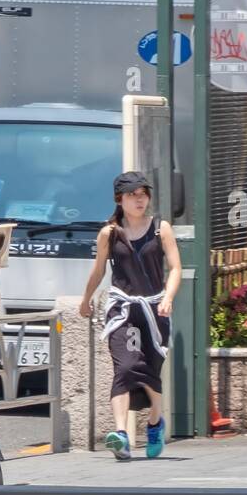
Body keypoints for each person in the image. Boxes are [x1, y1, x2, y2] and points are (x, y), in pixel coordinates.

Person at [78, 171, 182, 461]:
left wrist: (169, 298)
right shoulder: (109, 233)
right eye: (132, 195)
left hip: (154, 308)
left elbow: (175, 268)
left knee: (150, 370)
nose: (139, 199)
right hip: (121, 308)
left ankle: (154, 422)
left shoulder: (161, 229)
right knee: (125, 367)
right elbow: (98, 270)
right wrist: (86, 299)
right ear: (119, 199)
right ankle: (122, 435)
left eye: (143, 194)